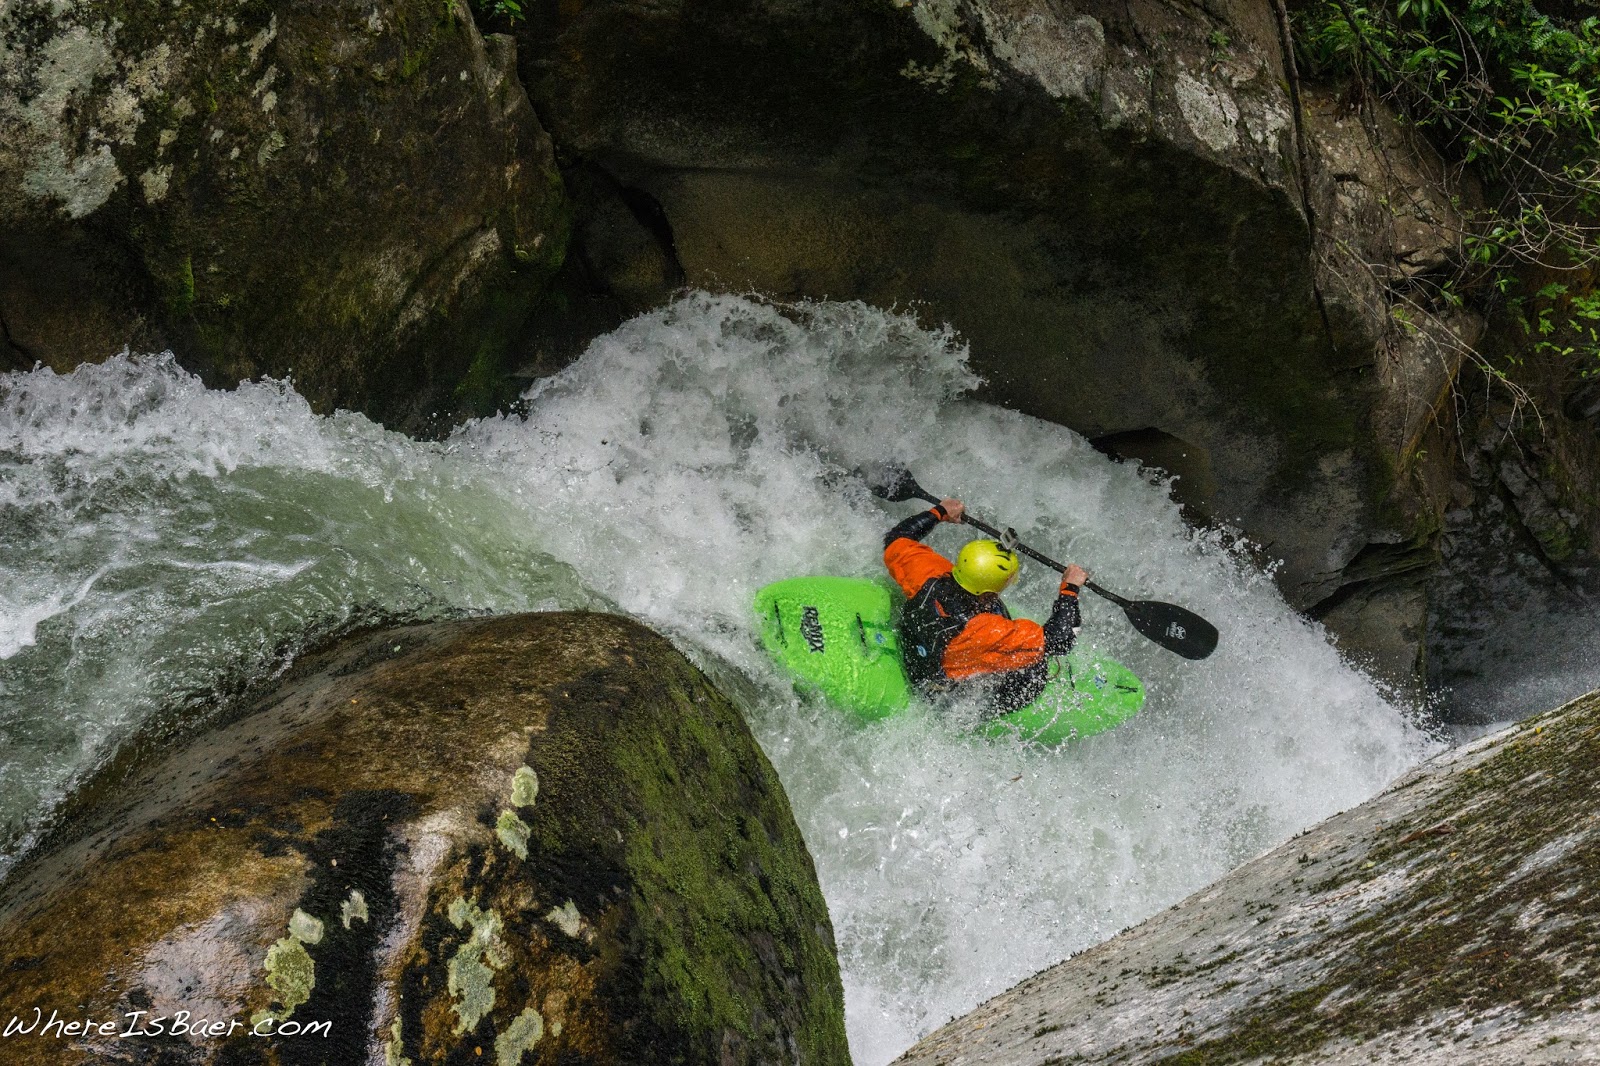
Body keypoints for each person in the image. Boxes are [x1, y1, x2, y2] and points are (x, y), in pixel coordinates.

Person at [884, 498, 1087, 713]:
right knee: (1035, 669)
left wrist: (939, 512)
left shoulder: (927, 574)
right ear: (987, 593)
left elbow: (897, 538)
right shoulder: (988, 630)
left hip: (917, 656)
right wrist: (1069, 589)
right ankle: (985, 714)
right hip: (942, 692)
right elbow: (1061, 640)